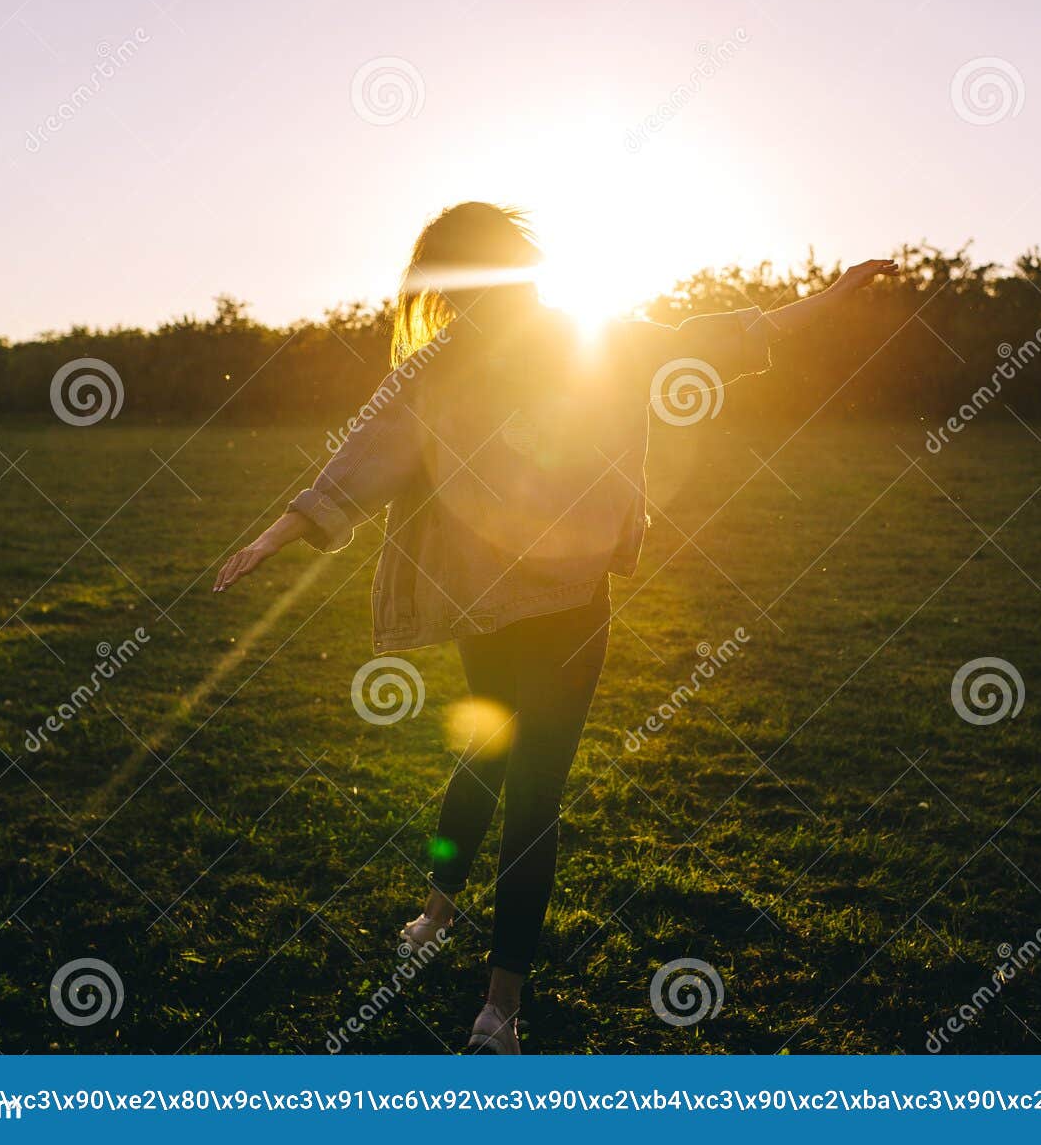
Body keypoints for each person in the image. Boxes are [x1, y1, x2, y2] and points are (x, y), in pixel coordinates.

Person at [214, 202, 895, 1052]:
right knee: (489, 753)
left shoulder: (588, 339)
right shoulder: (439, 367)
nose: (471, 304)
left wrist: (827, 297)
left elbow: (712, 333)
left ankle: (500, 1009)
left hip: (569, 605)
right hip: (489, 605)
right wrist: (276, 534)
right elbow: (366, 456)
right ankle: (437, 913)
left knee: (533, 793)